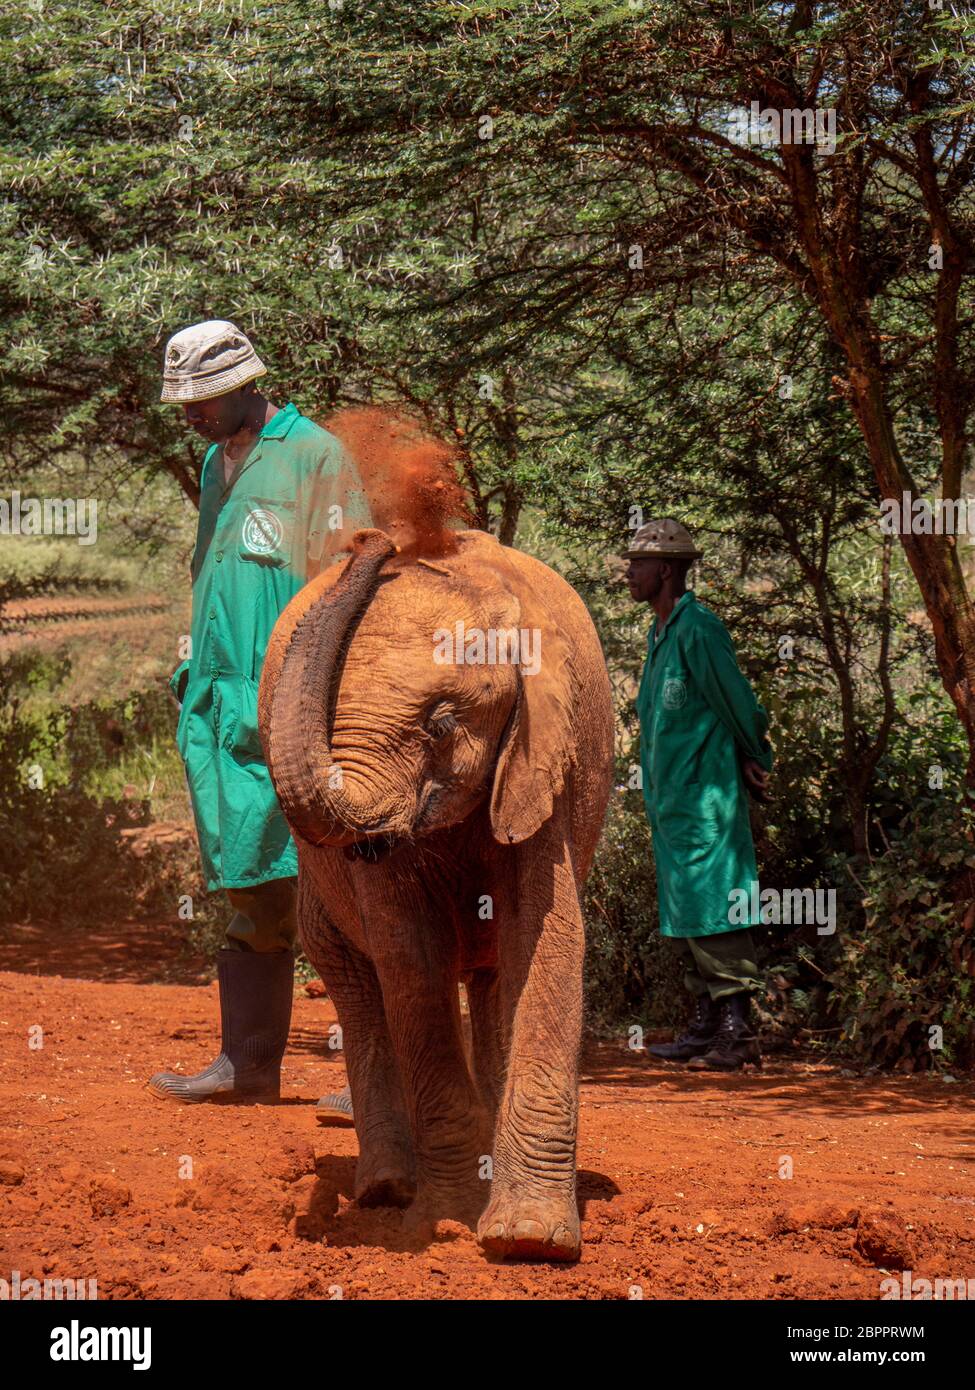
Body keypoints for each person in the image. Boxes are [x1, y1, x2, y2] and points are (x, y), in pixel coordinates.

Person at [148, 318, 363, 1117]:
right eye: (184, 402)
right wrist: (191, 660)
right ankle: (247, 1065)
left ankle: (371, 1079)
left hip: (294, 704)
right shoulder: (214, 462)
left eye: (204, 400)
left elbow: (347, 583)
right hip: (219, 703)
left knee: (336, 887)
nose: (191, 415)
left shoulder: (316, 456)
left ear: (247, 384)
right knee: (251, 884)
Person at [625, 519, 773, 1071]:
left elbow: (736, 700)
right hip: (671, 805)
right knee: (686, 907)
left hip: (706, 797)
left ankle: (738, 1033)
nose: (629, 574)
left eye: (637, 564)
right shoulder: (659, 634)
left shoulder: (699, 629)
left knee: (717, 903)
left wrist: (757, 755)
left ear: (666, 570)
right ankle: (707, 1025)